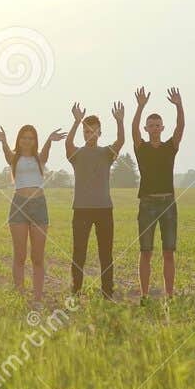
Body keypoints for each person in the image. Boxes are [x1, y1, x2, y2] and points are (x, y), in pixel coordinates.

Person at [0, 122, 64, 306]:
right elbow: (7, 154)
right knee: (20, 255)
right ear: (19, 140)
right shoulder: (15, 158)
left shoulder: (39, 158)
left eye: (31, 138)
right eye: (24, 137)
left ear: (34, 141)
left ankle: (37, 298)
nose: (27, 141)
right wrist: (3, 141)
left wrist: (50, 140)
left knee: (37, 257)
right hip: (19, 205)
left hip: (39, 206)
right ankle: (20, 296)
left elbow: (45, 152)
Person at [65, 101, 126, 299]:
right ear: (83, 133)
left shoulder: (106, 153)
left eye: (93, 131)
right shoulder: (77, 154)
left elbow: (120, 141)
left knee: (105, 253)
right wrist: (76, 122)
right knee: (79, 252)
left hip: (104, 209)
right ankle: (76, 290)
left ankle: (107, 291)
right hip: (81, 209)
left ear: (99, 133)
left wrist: (120, 121)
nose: (90, 134)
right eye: (86, 131)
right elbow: (68, 144)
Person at [133, 87, 185, 298]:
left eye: (157, 125)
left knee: (168, 253)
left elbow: (180, 128)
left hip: (168, 203)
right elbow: (133, 129)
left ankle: (169, 295)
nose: (154, 128)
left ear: (162, 127)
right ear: (146, 128)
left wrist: (179, 106)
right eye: (151, 126)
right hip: (147, 204)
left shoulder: (170, 147)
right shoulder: (140, 147)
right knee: (145, 252)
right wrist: (140, 106)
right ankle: (145, 296)